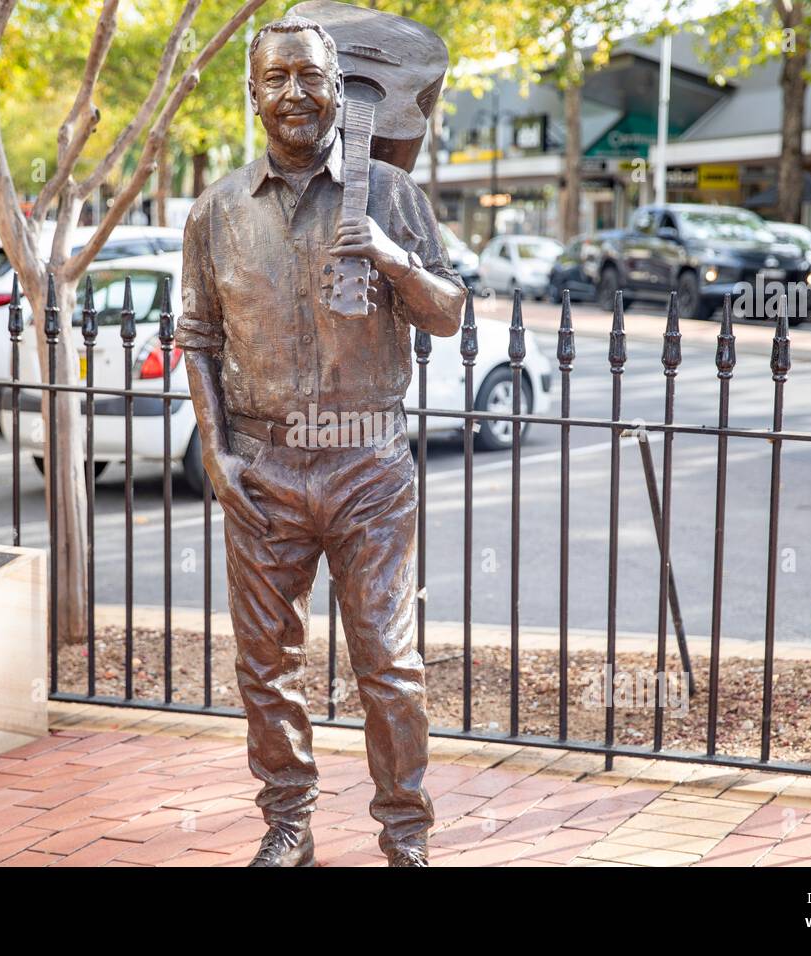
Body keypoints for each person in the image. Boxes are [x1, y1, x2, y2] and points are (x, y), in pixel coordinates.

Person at [176, 14, 465, 867]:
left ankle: (406, 835)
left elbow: (447, 315)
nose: (295, 93)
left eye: (311, 76)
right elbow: (196, 336)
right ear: (254, 93)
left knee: (389, 663)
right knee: (266, 666)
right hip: (263, 468)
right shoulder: (217, 211)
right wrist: (216, 450)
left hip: (368, 462)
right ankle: (288, 825)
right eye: (277, 79)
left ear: (340, 88)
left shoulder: (394, 196)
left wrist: (389, 255)